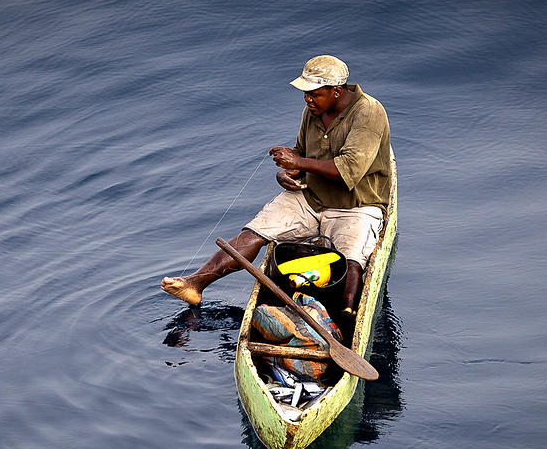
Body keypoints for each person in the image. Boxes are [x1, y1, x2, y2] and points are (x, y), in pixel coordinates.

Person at [161, 55, 395, 319]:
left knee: (351, 263)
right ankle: (195, 284)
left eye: (314, 94)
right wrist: (289, 172)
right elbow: (302, 155)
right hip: (310, 197)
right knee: (254, 233)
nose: (308, 99)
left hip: (356, 206)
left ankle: (346, 317)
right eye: (306, 94)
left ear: (337, 91)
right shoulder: (313, 111)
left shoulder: (369, 112)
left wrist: (299, 160)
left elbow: (349, 169)